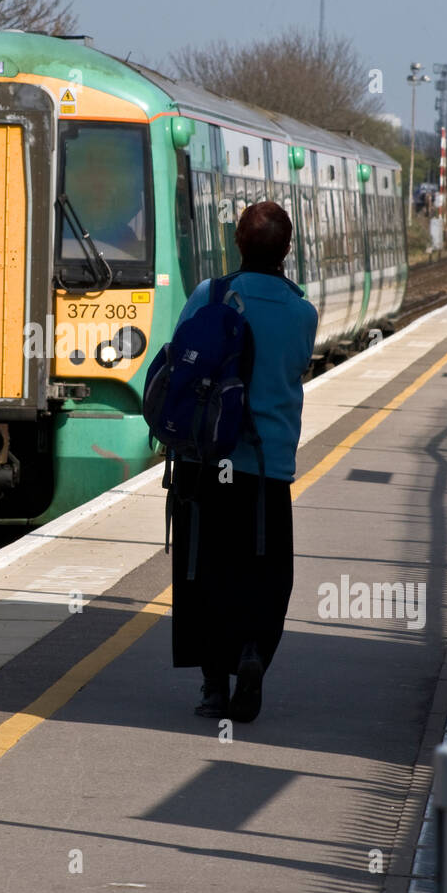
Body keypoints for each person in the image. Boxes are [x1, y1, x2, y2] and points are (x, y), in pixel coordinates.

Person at [169, 201, 318, 722]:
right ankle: (252, 652)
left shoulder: (208, 295)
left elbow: (177, 359)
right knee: (264, 572)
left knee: (205, 573)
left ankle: (213, 687)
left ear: (236, 242)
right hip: (266, 467)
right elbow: (295, 368)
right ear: (288, 248)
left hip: (205, 460)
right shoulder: (302, 312)